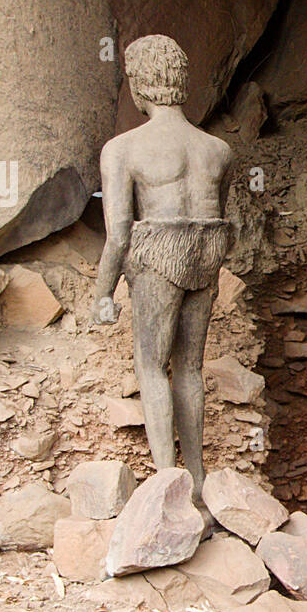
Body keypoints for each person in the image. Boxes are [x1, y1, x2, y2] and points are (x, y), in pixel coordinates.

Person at [91, 35, 233, 501]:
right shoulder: (217, 150)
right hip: (206, 252)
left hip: (157, 255)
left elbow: (119, 234)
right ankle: (198, 479)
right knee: (189, 368)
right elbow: (219, 215)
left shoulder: (123, 148)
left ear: (138, 84)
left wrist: (102, 293)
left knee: (151, 365)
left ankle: (167, 484)